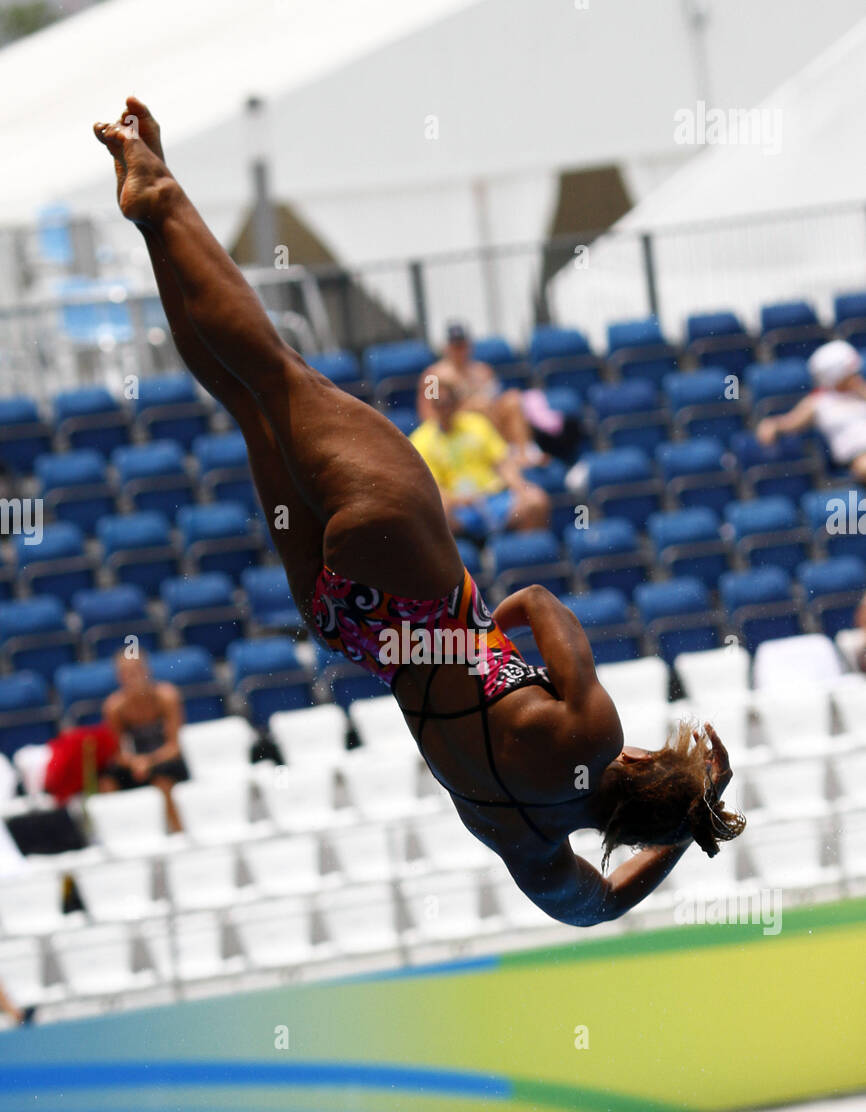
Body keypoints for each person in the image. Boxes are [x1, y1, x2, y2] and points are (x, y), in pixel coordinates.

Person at [93, 99, 744, 927]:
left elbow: (541, 604)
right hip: (348, 621)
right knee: (246, 400)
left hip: (417, 575)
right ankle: (153, 222)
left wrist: (486, 626)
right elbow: (602, 906)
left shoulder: (594, 734)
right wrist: (685, 832)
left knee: (284, 377)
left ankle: (160, 197)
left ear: (642, 764)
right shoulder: (531, 848)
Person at [409, 367, 550, 539]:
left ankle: (521, 554)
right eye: (438, 403)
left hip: (493, 497)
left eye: (448, 402)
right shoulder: (421, 439)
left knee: (535, 500)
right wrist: (457, 500)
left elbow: (502, 462)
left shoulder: (477, 424)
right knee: (437, 515)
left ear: (456, 402)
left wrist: (519, 487)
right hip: (459, 507)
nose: (443, 408)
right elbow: (432, 487)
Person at [417, 322, 541, 465]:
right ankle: (500, 457)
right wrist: (467, 406)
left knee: (512, 398)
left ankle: (523, 453)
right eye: (455, 346)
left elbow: (495, 399)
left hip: (489, 419)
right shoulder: (433, 376)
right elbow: (429, 415)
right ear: (447, 348)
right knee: (480, 405)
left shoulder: (482, 370)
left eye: (463, 345)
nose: (460, 350)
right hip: (454, 423)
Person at [99, 649, 187, 833]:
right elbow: (117, 753)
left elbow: (174, 747)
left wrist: (149, 761)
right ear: (119, 677)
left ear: (147, 671)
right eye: (127, 673)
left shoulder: (167, 696)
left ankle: (178, 834)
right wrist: (134, 763)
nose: (133, 678)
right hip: (137, 764)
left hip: (165, 760)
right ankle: (122, 834)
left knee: (162, 781)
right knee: (107, 783)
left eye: (137, 671)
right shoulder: (115, 707)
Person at [757, 339, 866, 483]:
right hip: (858, 457)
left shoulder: (861, 391)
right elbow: (790, 422)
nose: (855, 374)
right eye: (849, 372)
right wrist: (773, 425)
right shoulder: (818, 401)